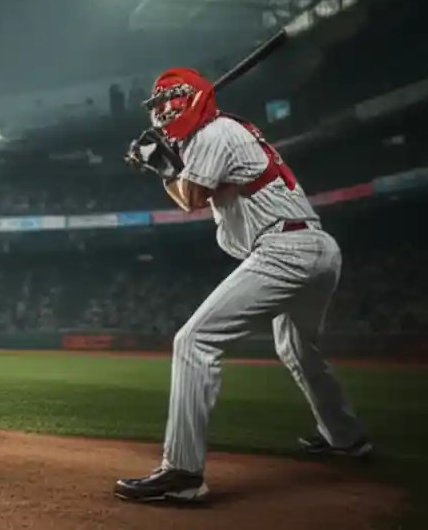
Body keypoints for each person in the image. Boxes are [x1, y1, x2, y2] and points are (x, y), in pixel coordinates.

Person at [116, 67, 370, 503]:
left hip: (285, 248)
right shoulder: (221, 131)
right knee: (296, 348)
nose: (158, 112)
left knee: (194, 341)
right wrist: (165, 163)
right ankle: (346, 437)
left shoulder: (215, 132)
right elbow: (190, 194)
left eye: (164, 103)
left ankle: (183, 473)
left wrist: (159, 163)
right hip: (315, 247)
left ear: (184, 100)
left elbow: (192, 198)